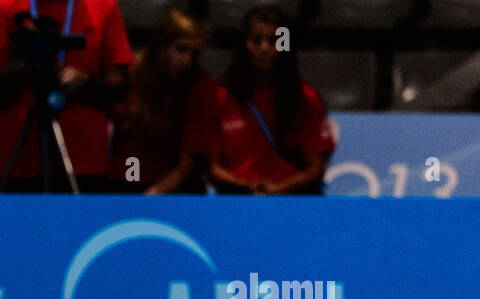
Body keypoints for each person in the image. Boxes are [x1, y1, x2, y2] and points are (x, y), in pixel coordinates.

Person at [0, 0, 133, 193]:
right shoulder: (2, 8)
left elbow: (120, 84)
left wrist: (87, 82)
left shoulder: (104, 6)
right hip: (18, 160)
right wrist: (25, 62)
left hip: (85, 159)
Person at [209, 5, 334, 195]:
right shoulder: (220, 96)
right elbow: (211, 167)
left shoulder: (304, 97)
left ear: (284, 46)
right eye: (256, 40)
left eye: (274, 40)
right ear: (243, 44)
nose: (264, 48)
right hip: (235, 198)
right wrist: (245, 186)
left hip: (290, 199)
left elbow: (315, 168)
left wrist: (278, 189)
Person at [107, 9, 219, 194]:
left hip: (175, 187)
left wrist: (151, 196)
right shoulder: (132, 75)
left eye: (194, 53)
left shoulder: (201, 86)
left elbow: (187, 164)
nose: (187, 59)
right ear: (162, 45)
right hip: (126, 179)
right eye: (181, 49)